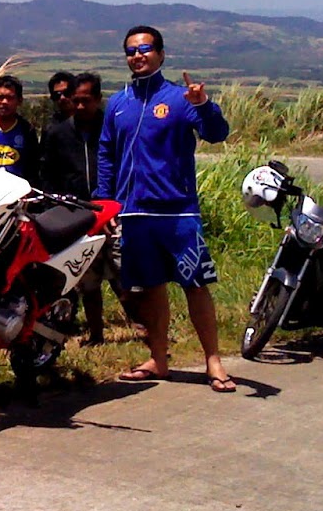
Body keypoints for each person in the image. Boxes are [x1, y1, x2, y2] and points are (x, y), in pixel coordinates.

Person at [94, 27, 237, 392]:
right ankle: (158, 358)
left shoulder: (179, 97)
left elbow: (217, 133)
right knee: (150, 287)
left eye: (144, 49)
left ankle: (214, 361)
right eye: (131, 51)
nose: (137, 56)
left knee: (196, 285)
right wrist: (103, 202)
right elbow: (106, 154)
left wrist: (203, 105)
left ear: (160, 54)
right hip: (134, 213)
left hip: (177, 213)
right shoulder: (118, 103)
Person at [39, 71, 120, 347]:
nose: (81, 106)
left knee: (125, 276)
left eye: (86, 100)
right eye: (76, 100)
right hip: (77, 217)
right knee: (88, 280)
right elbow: (48, 175)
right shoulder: (57, 133)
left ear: (98, 99)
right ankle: (96, 335)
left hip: (113, 212)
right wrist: (56, 210)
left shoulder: (112, 128)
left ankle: (147, 331)